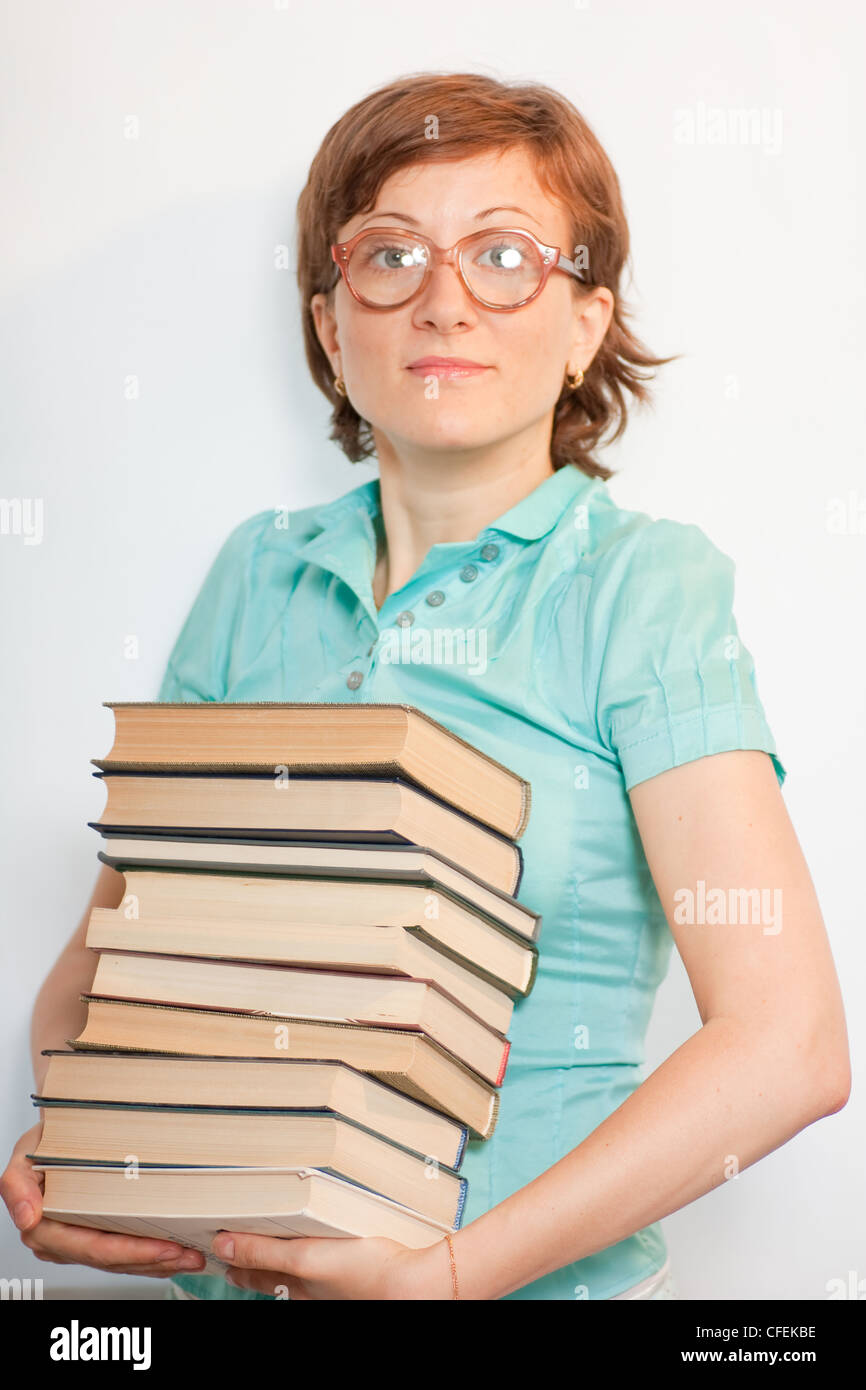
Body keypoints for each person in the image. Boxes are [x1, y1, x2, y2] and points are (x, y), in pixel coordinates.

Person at [2, 72, 850, 1302]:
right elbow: (108, 967)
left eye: (504, 255)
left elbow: (789, 1048)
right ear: (332, 327)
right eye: (390, 255)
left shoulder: (640, 588)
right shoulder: (255, 573)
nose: (443, 298)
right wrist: (74, 1149)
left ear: (582, 325)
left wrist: (449, 1275)